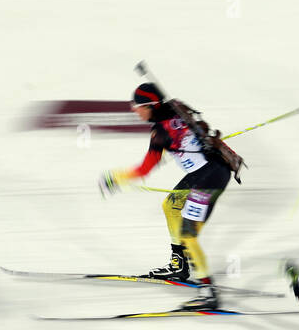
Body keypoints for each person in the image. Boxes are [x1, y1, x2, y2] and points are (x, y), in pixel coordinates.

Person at [97, 82, 242, 310]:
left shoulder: (161, 133)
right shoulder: (178, 111)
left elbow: (144, 170)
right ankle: (179, 265)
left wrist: (115, 178)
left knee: (189, 235)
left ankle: (208, 293)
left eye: (138, 106)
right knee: (171, 205)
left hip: (209, 178)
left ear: (152, 106)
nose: (135, 111)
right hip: (204, 172)